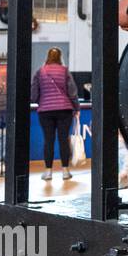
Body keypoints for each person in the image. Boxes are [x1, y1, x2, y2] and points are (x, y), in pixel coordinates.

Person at [31, 47, 80, 181]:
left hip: (45, 111)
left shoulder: (40, 72)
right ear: (60, 57)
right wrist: (77, 108)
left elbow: (34, 94)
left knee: (49, 141)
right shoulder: (64, 71)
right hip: (64, 110)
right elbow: (72, 92)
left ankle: (48, 172)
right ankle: (65, 171)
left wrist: (40, 100)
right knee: (64, 140)